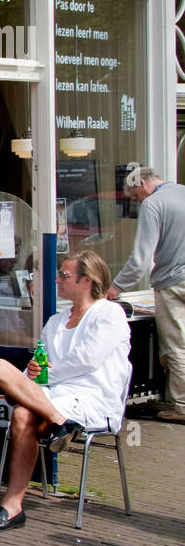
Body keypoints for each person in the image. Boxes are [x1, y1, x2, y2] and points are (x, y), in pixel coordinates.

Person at [0, 251, 131, 530]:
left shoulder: (109, 313)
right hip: (53, 398)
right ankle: (60, 424)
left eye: (63, 275)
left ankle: (12, 506)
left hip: (92, 399)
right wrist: (30, 376)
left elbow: (86, 360)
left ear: (86, 281)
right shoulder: (56, 321)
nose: (57, 280)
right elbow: (38, 364)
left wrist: (39, 378)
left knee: (24, 414)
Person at [106, 165, 185, 424]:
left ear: (142, 184)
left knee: (176, 345)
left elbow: (141, 259)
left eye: (134, 194)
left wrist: (117, 286)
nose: (135, 199)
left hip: (173, 282)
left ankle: (182, 406)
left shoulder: (153, 204)